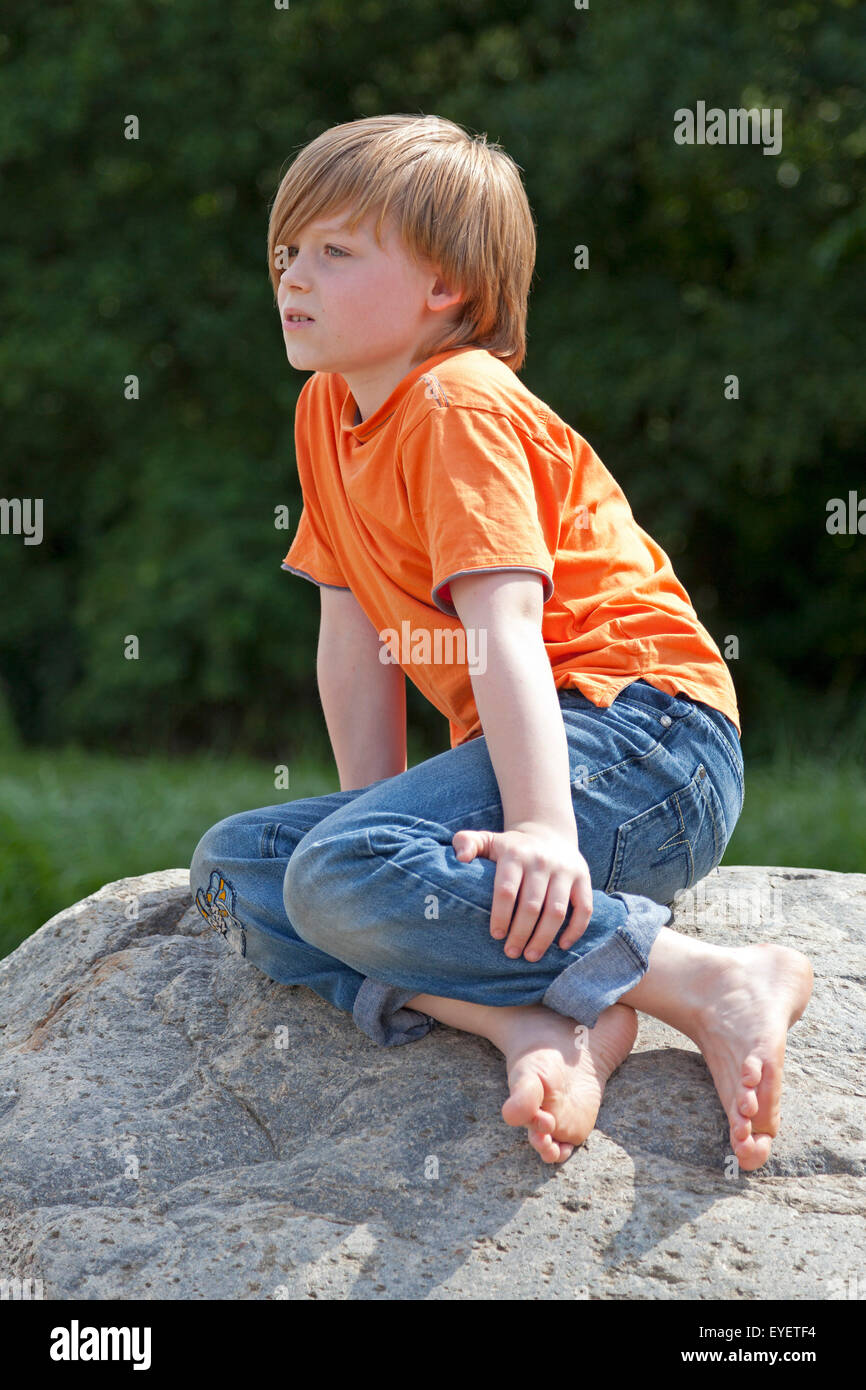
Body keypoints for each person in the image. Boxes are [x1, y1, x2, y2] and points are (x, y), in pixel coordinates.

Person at [189, 114, 813, 1170]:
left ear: (445, 288)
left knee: (331, 873)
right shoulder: (323, 411)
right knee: (235, 864)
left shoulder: (456, 400)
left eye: (335, 252)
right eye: (286, 250)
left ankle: (707, 978)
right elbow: (352, 642)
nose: (293, 275)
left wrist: (540, 829)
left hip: (643, 740)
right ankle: (530, 1020)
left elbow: (506, 630)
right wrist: (367, 823)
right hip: (561, 753)